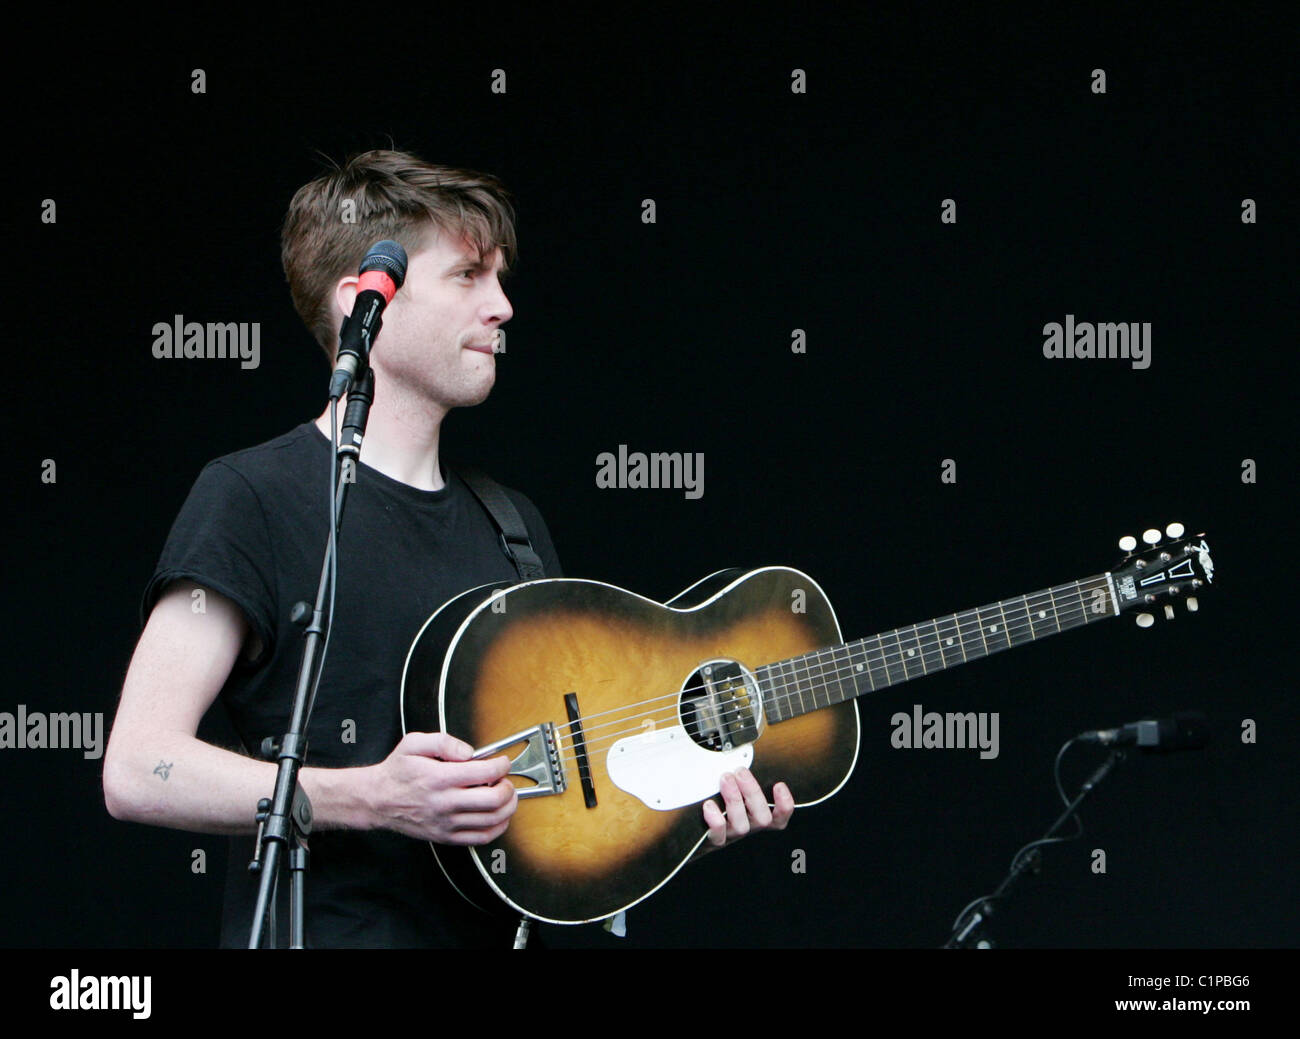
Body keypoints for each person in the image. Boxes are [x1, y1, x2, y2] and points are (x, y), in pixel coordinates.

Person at [103, 149, 794, 948]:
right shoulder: (252, 497)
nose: (503, 306)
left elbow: (571, 800)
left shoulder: (514, 525)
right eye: (468, 276)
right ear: (369, 300)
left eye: (502, 278)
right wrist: (371, 796)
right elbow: (137, 767)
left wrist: (686, 823)